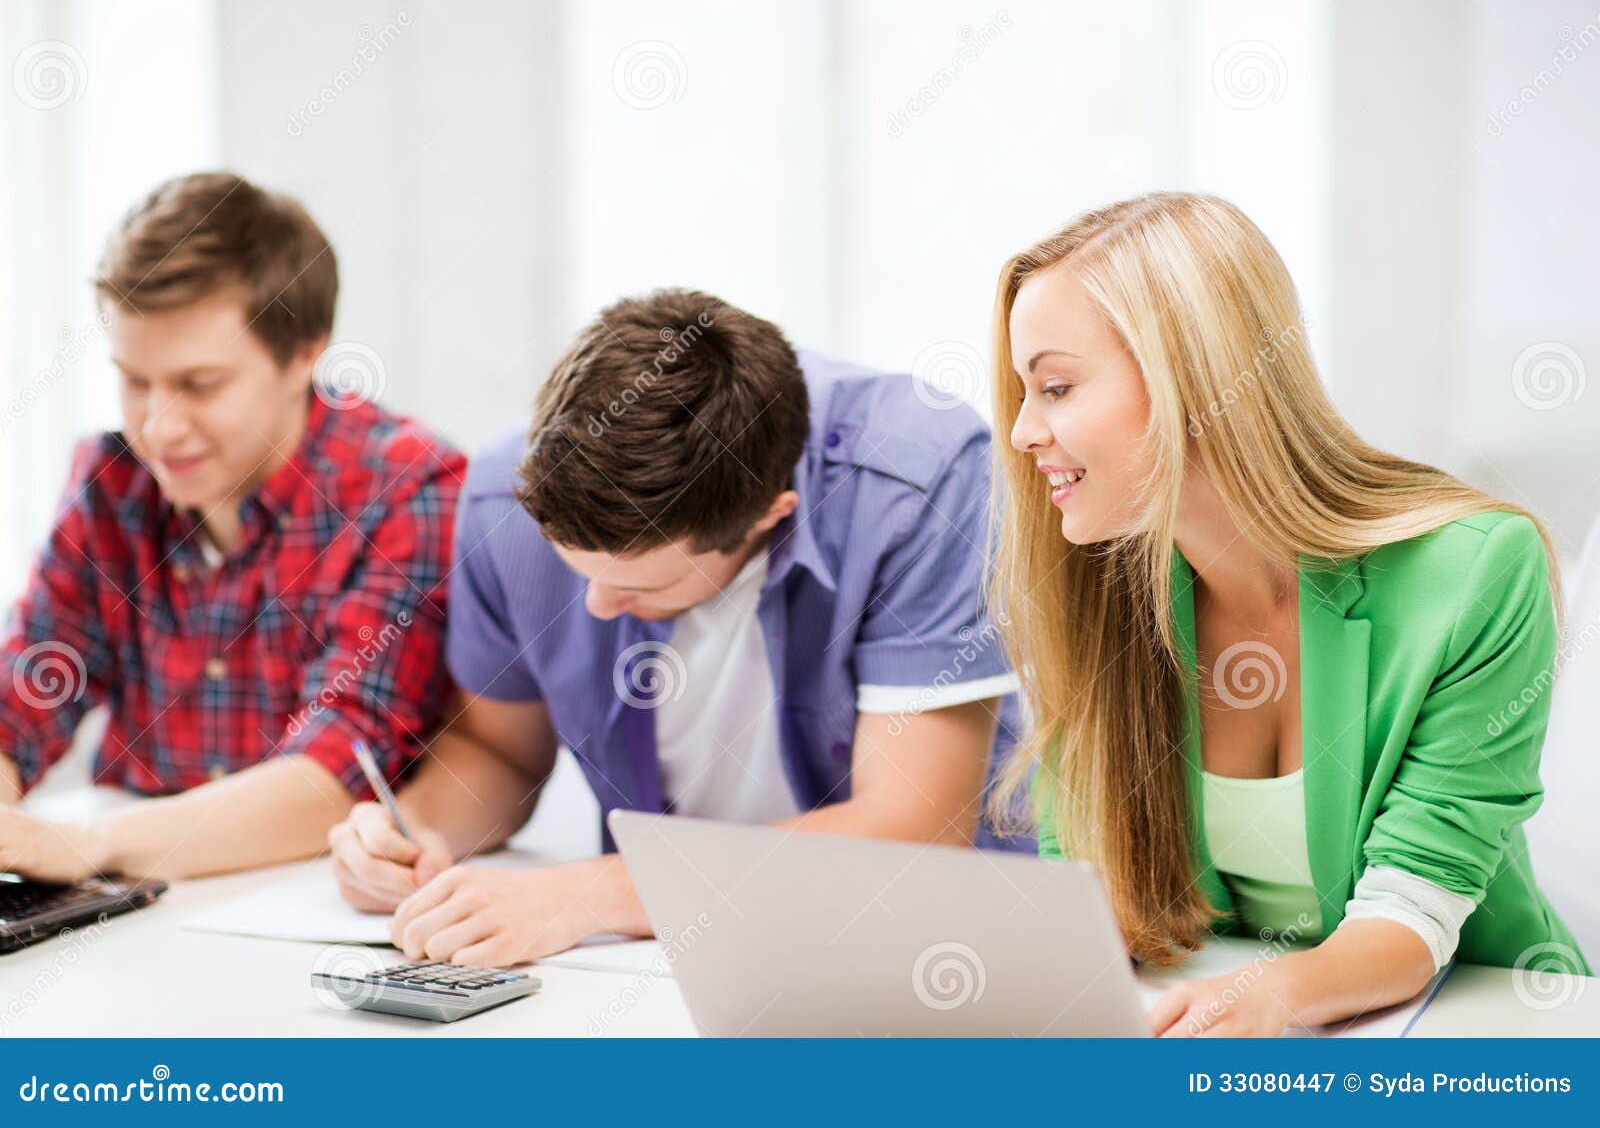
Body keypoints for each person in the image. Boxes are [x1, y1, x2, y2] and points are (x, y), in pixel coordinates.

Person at [988, 191, 1589, 1037]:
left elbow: (1415, 906)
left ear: (1189, 375)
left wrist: (1276, 992)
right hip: (1201, 1039)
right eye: (1023, 391)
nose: (1021, 431)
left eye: (1055, 386)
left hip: (1476, 1028)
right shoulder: (1096, 591)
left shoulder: (1475, 570)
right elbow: (1088, 903)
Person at [329, 288, 1020, 967]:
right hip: (654, 963)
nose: (597, 604)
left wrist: (589, 895)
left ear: (767, 516)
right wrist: (412, 832)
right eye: (577, 568)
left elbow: (913, 833)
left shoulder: (919, 482)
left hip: (908, 956)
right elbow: (498, 751)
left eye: (639, 584)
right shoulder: (499, 499)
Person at [0, 172, 464, 881]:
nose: (159, 426)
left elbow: (338, 767)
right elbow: (27, 689)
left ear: (305, 351)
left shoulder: (408, 489)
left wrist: (90, 843)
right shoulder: (111, 483)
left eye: (199, 384)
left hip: (318, 896)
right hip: (146, 899)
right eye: (134, 379)